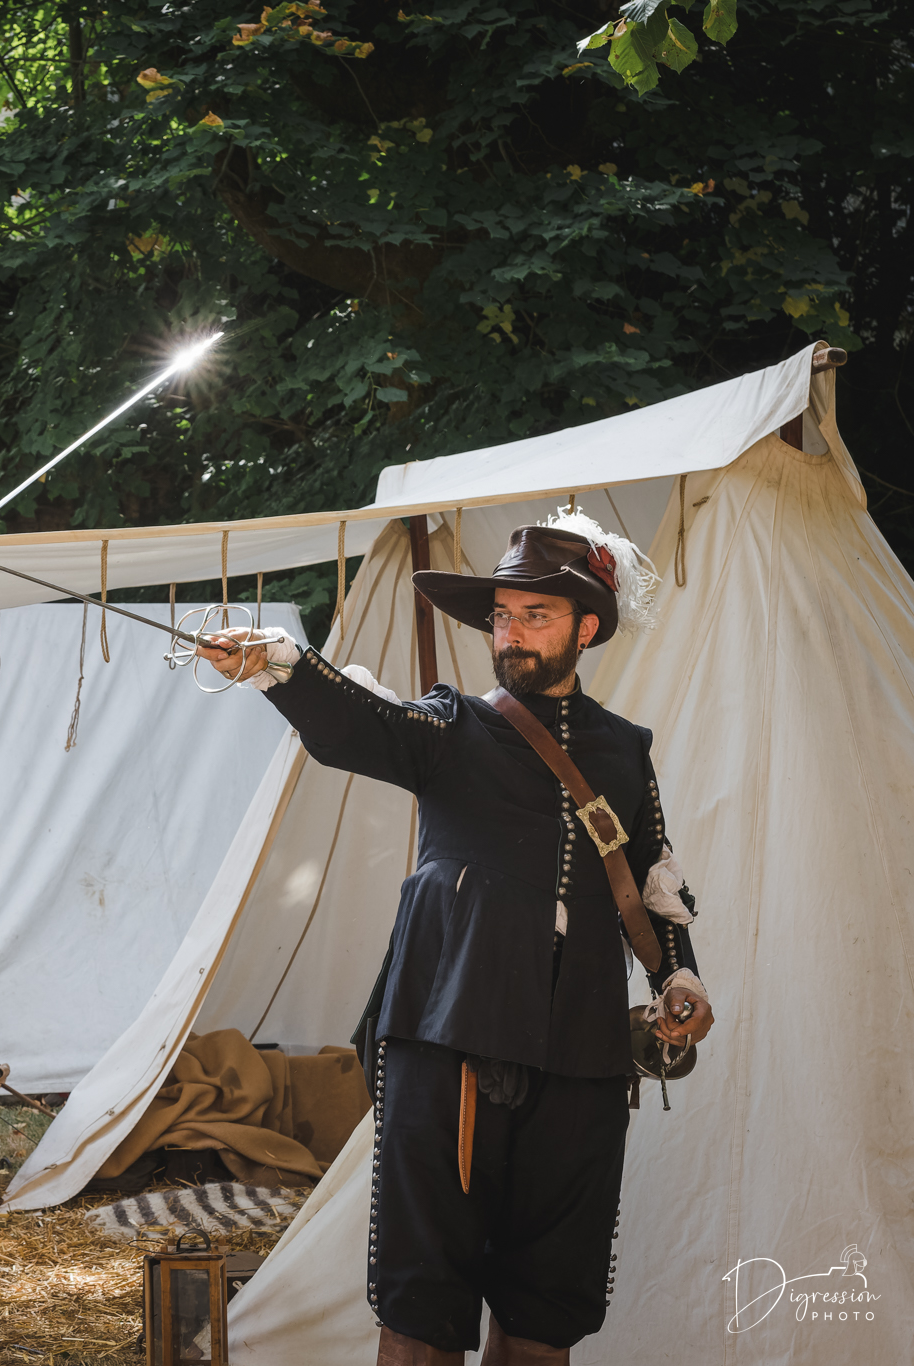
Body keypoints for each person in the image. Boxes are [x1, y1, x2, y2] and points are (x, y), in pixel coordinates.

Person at [202, 515, 715, 1366]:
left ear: (587, 628)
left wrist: (681, 980)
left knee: (548, 1306)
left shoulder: (627, 752)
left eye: (534, 617)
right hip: (452, 1047)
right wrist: (284, 668)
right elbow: (365, 723)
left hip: (583, 1062)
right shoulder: (452, 726)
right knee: (424, 1301)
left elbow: (655, 880)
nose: (508, 633)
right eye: (501, 617)